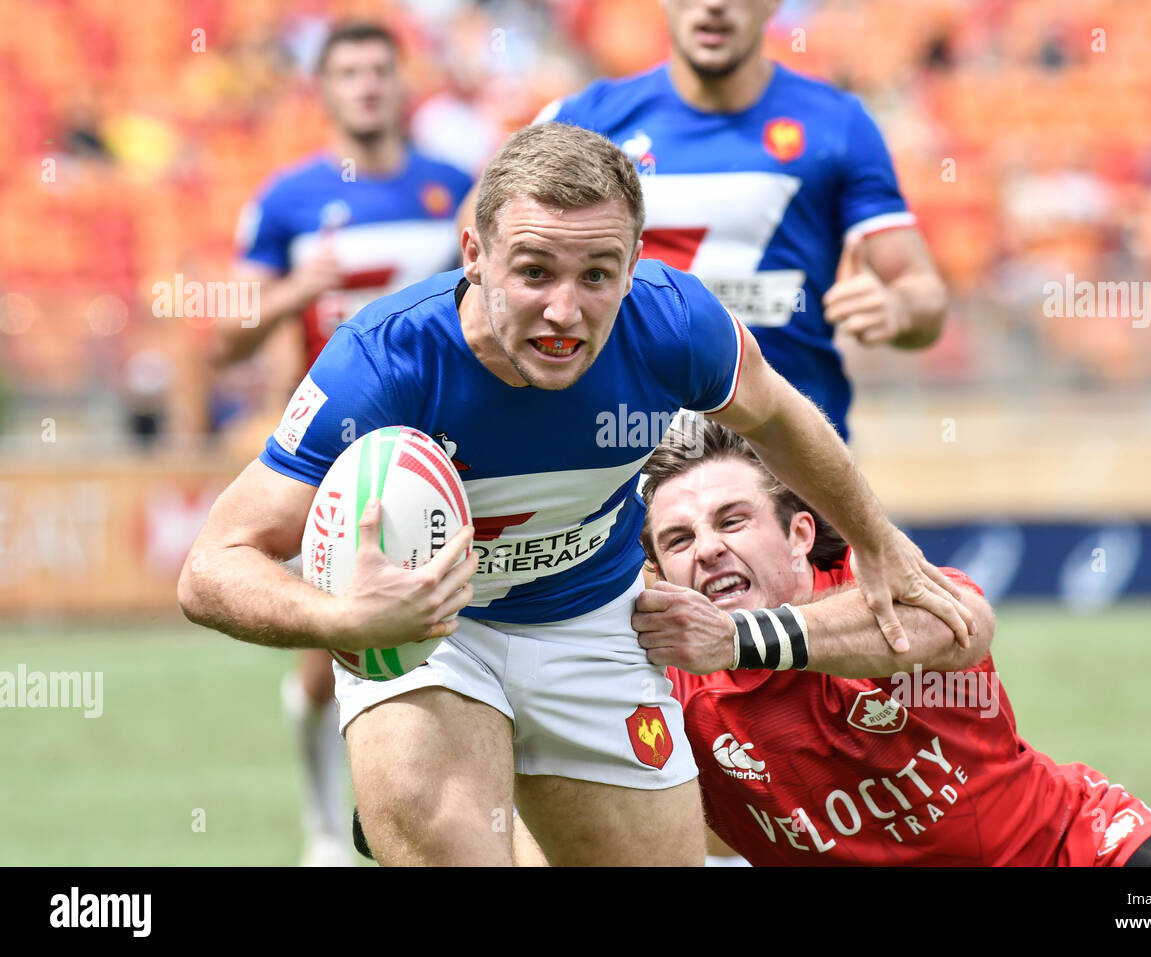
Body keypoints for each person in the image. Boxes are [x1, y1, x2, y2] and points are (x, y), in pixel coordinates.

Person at [178, 121, 975, 866]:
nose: (565, 310)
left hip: (593, 624)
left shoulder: (672, 324)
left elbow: (776, 414)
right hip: (432, 630)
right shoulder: (383, 365)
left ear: (633, 266)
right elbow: (213, 564)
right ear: (474, 255)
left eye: (598, 275)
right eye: (533, 272)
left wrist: (876, 540)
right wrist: (344, 619)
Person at [634, 418, 1151, 866]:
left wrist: (741, 638)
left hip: (1069, 848)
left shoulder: (873, 580)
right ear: (658, 573)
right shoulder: (657, 680)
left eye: (732, 520)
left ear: (799, 534)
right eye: (680, 539)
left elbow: (962, 624)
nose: (709, 548)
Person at [221, 20, 473, 866]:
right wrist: (299, 288)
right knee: (334, 649)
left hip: (456, 445)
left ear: (403, 83)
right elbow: (225, 338)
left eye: (379, 70)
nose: (367, 85)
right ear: (323, 90)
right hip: (339, 457)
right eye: (349, 72)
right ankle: (326, 825)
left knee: (470, 627)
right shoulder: (288, 200)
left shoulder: (456, 191)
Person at [538, 0, 947, 438]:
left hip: (787, 457)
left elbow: (923, 296)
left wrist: (896, 309)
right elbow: (482, 256)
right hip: (622, 449)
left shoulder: (838, 125)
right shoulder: (581, 122)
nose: (714, 6)